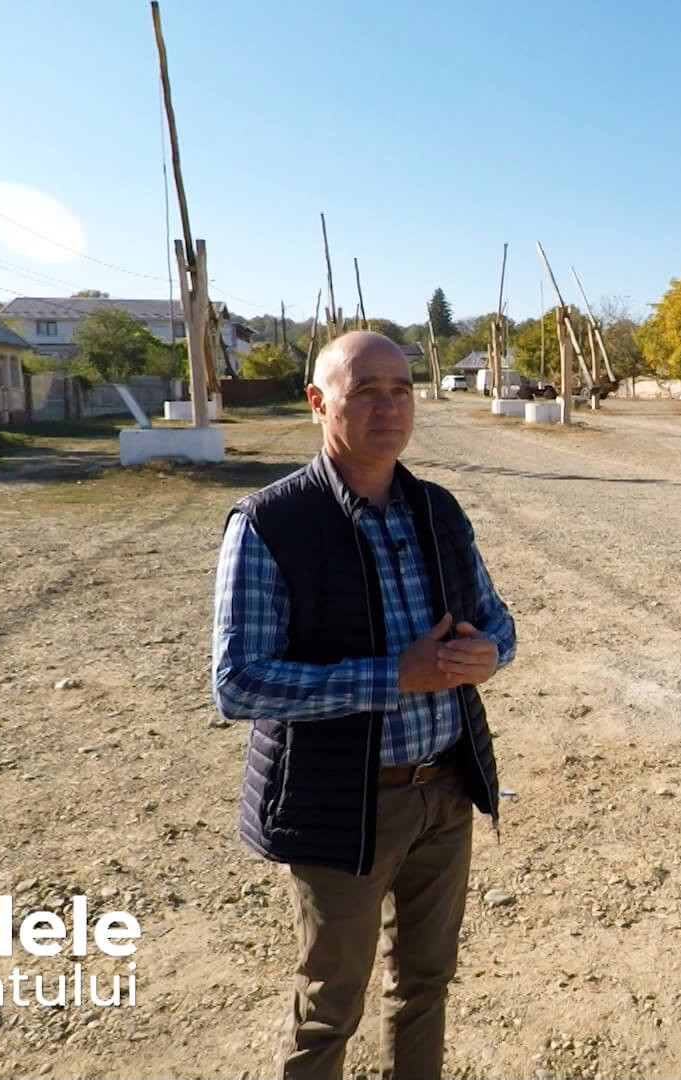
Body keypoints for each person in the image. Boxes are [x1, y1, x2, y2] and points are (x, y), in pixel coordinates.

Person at [211, 331, 517, 1080]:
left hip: (443, 791)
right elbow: (238, 684)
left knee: (426, 984)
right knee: (328, 1008)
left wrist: (492, 652)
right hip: (340, 805)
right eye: (367, 391)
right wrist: (391, 677)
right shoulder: (269, 524)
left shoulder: (437, 510)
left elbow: (498, 620)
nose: (390, 406)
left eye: (402, 389)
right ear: (319, 403)